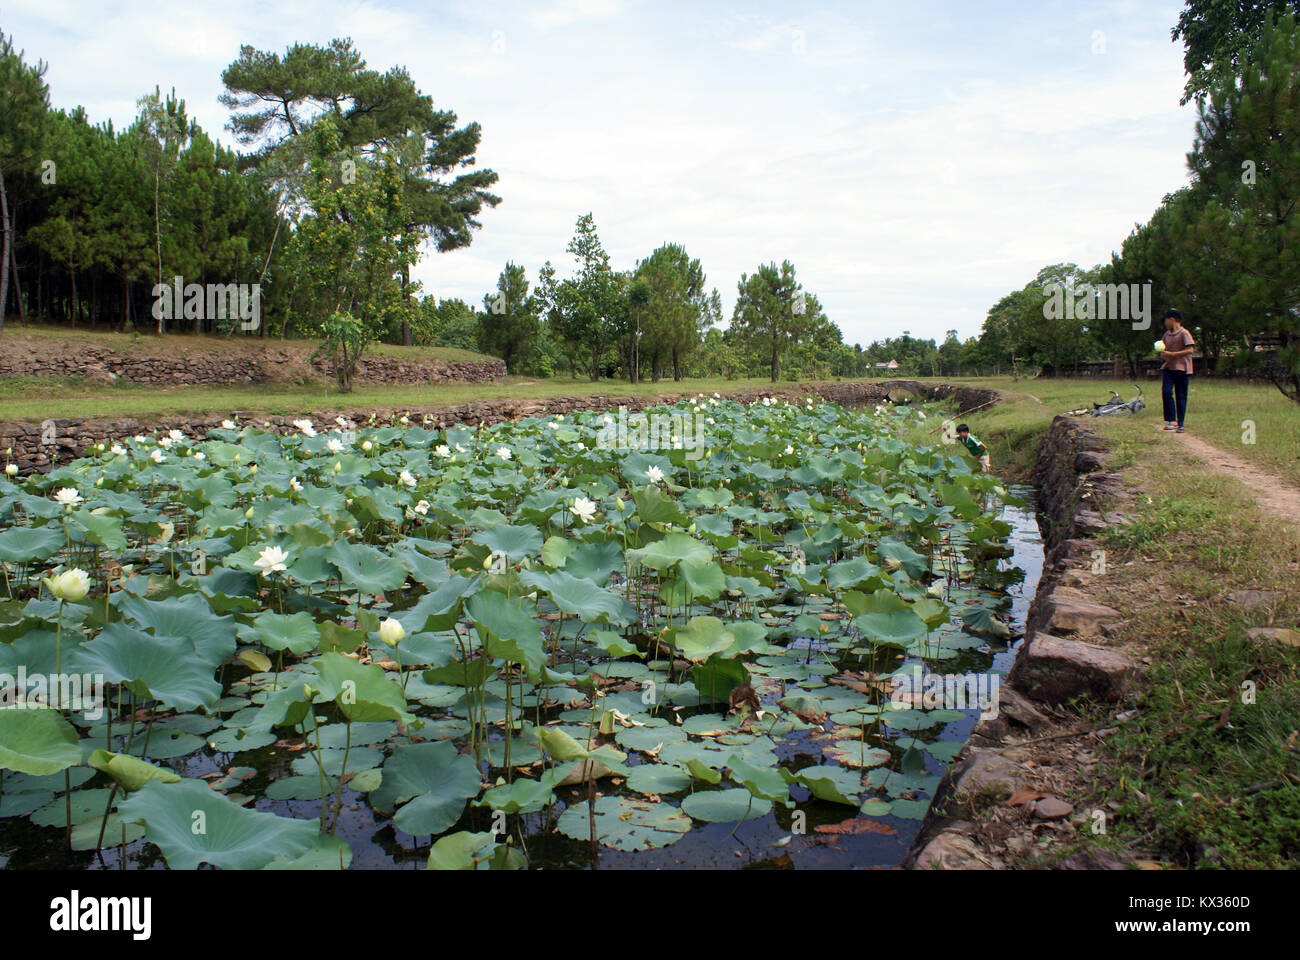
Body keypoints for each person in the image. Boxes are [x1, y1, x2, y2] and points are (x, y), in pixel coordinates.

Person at [1160, 308, 1196, 433]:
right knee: (1166, 392)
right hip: (1168, 367)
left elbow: (1190, 350)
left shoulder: (1184, 333)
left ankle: (1181, 424)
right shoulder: (1167, 334)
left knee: (1181, 396)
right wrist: (1163, 354)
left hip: (1181, 368)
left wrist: (1173, 354)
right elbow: (1164, 349)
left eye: (1166, 320)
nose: (1165, 323)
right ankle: (1171, 420)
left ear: (1172, 319)